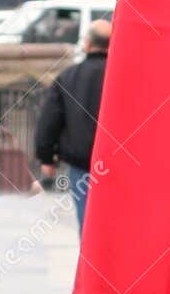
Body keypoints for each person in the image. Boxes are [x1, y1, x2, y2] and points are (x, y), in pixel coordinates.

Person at [33, 19, 111, 230]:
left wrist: (47, 158)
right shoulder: (123, 76)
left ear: (87, 44)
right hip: (119, 163)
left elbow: (50, 120)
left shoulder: (68, 77)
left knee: (87, 222)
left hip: (82, 163)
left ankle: (90, 261)